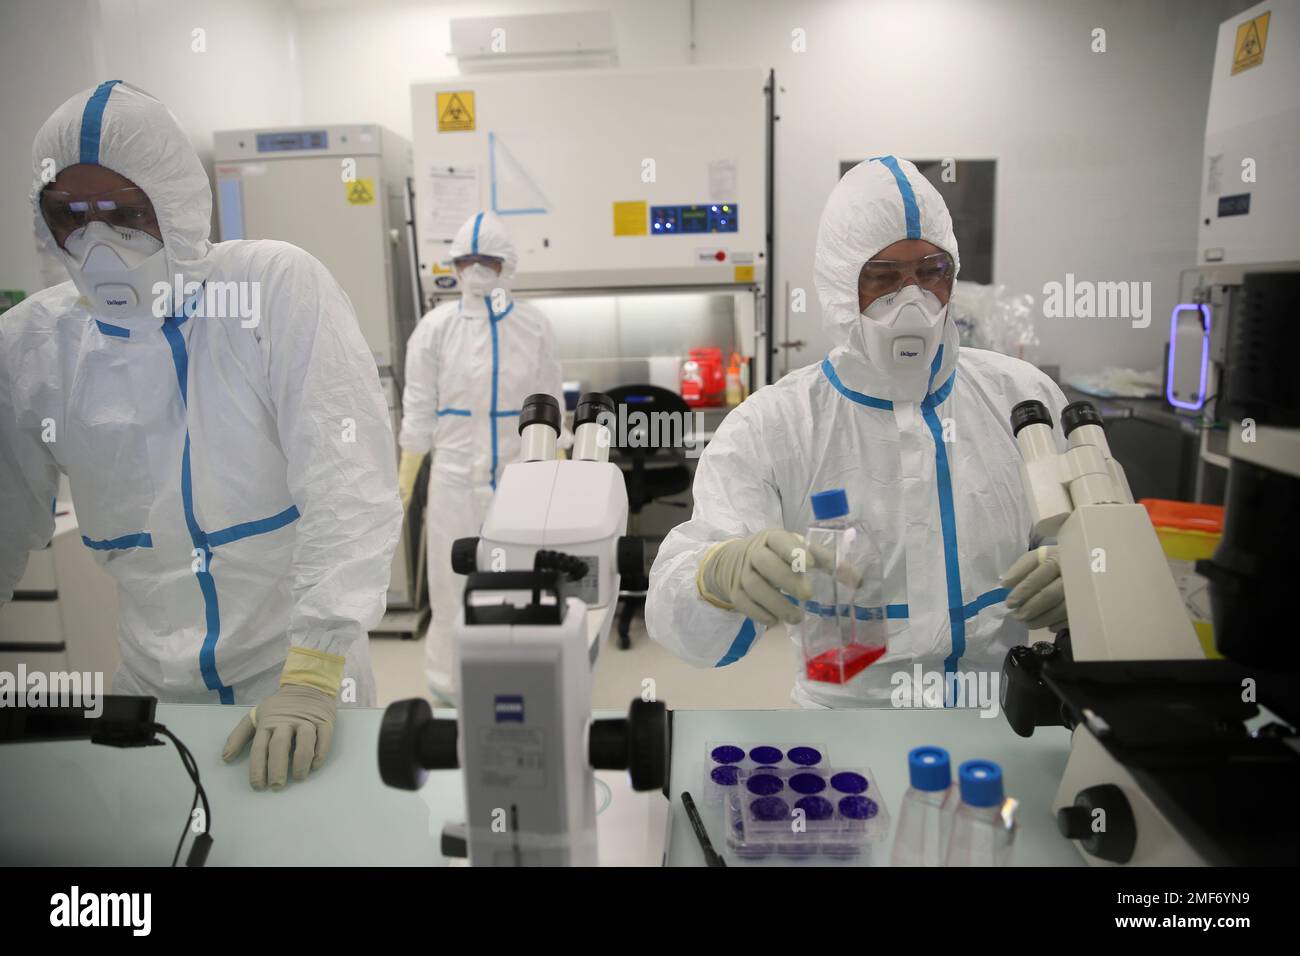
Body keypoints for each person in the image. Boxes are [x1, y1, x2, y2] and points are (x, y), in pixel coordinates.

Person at [0, 82, 402, 788]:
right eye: (71, 216)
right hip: (150, 685)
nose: (98, 243)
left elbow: (349, 486)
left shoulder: (273, 289)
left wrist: (312, 675)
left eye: (125, 213)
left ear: (176, 204)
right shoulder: (32, 344)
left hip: (298, 676)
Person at [646, 156, 1069, 708]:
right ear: (842, 287)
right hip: (840, 728)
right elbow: (681, 622)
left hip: (1003, 718)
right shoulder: (773, 425)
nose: (912, 300)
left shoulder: (1022, 400)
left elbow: (1101, 549)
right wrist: (715, 576)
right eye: (885, 277)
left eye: (932, 272)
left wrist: (1086, 575)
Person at [398, 211, 565, 701]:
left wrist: (554, 477)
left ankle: (523, 682)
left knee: (521, 581)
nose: (475, 270)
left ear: (506, 266)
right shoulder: (433, 329)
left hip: (520, 480)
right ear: (453, 265)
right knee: (452, 590)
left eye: (486, 261)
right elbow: (417, 412)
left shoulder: (533, 328)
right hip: (452, 481)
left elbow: (550, 405)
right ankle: (450, 691)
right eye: (466, 261)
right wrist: (405, 481)